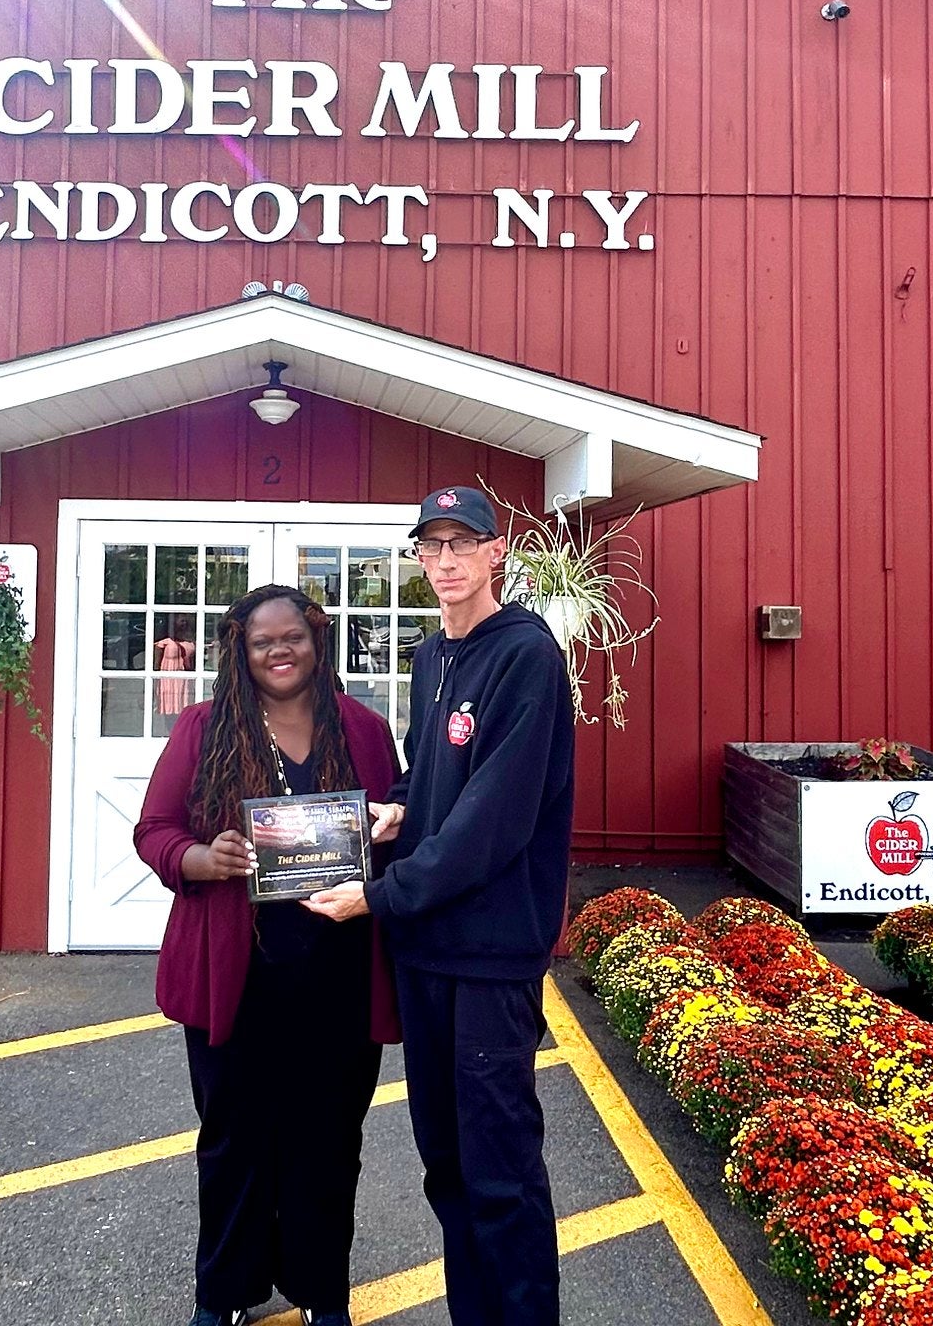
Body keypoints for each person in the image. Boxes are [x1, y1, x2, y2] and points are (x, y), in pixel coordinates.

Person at [305, 486, 575, 1326]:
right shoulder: (434, 659)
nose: (448, 560)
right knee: (446, 1165)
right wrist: (395, 806)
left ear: (499, 553)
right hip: (425, 951)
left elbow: (494, 818)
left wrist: (379, 895)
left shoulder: (525, 656)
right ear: (419, 558)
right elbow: (434, 776)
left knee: (500, 1169)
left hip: (489, 956)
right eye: (433, 545)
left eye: (464, 543)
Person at [134, 584, 403, 1326]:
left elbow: (402, 826)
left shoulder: (365, 729)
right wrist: (198, 858)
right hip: (237, 977)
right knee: (234, 1143)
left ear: (317, 643)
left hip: (339, 977)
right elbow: (154, 829)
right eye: (262, 642)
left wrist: (390, 829)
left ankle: (324, 1293)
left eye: (293, 637)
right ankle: (224, 1296)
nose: (279, 651)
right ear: (240, 653)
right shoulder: (203, 728)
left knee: (327, 1143)